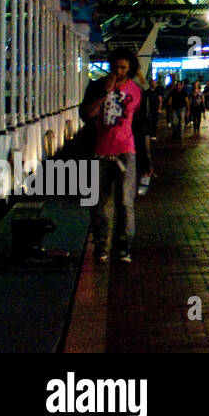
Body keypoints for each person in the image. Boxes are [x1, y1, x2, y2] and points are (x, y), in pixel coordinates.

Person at [79, 49, 145, 264]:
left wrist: (146, 161)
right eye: (116, 67)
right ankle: (100, 243)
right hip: (100, 151)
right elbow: (87, 114)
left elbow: (140, 127)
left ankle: (124, 245)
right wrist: (103, 93)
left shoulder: (136, 91)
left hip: (126, 151)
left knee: (125, 202)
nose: (118, 71)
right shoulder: (97, 86)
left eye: (123, 68)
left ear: (130, 69)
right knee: (97, 201)